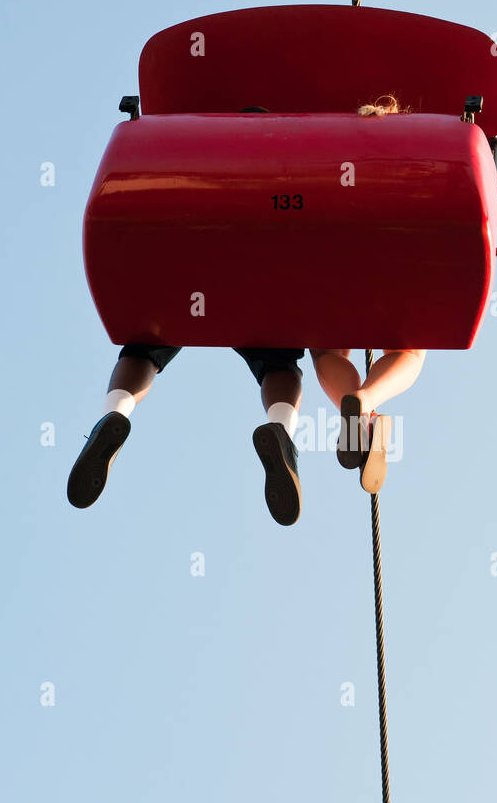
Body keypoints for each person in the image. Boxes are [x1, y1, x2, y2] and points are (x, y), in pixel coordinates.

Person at [67, 108, 305, 526]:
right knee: (281, 363)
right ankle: (281, 431)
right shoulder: (284, 166)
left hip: (187, 260)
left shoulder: (191, 149)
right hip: (258, 269)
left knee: (142, 348)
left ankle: (116, 413)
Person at [310, 95, 426, 494]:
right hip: (392, 267)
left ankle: (358, 409)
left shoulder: (330, 160)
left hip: (331, 270)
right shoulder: (409, 160)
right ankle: (365, 399)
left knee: (327, 353)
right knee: (409, 352)